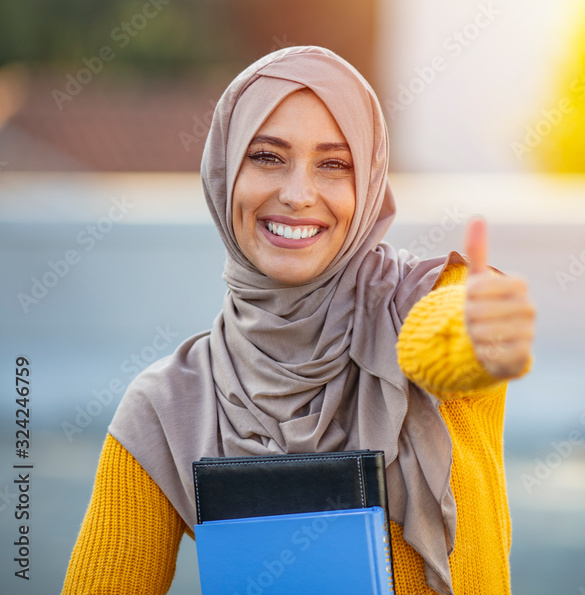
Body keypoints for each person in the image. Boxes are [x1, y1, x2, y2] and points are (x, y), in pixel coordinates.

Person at [61, 45, 536, 595]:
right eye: (267, 157)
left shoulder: (425, 301)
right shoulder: (168, 407)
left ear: (369, 185)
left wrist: (480, 331)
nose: (297, 194)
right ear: (225, 171)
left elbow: (443, 338)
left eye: (334, 164)